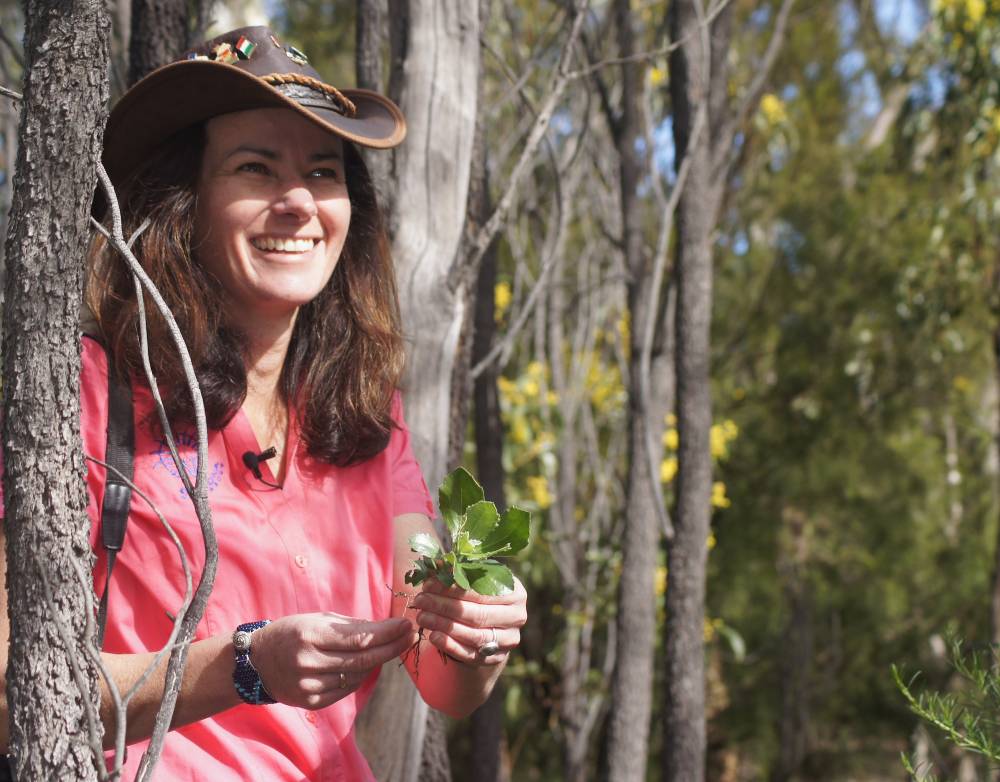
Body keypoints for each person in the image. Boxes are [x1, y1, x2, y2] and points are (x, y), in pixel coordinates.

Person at [0, 25, 527, 781]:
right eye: (256, 168)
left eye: (323, 171)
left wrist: (478, 628)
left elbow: (442, 680)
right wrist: (244, 666)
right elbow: (14, 690)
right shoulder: (88, 388)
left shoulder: (366, 413)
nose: (299, 203)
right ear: (184, 202)